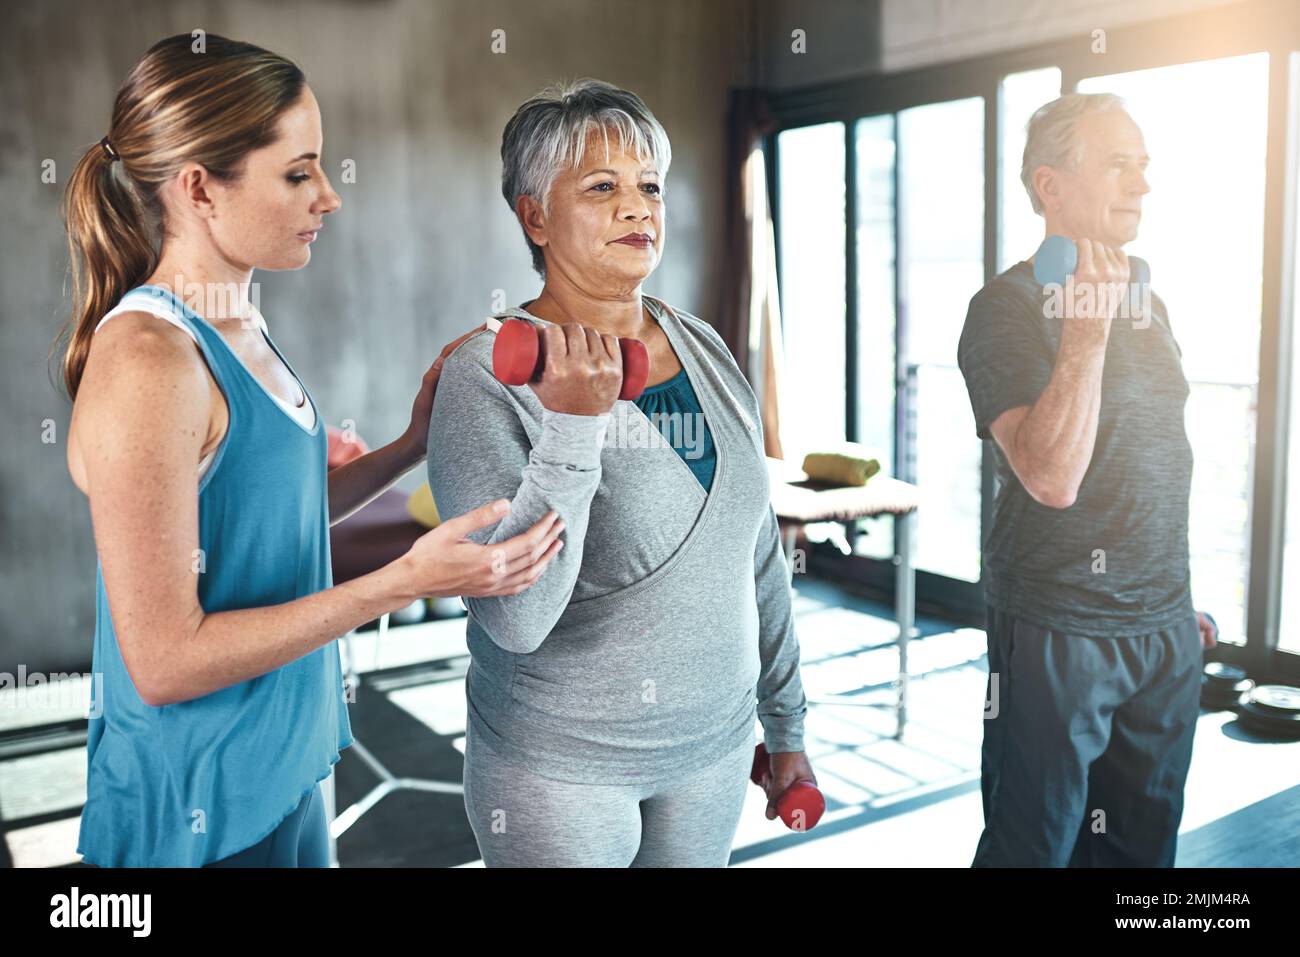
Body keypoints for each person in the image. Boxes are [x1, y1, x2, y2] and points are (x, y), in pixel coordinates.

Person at [56, 33, 562, 867]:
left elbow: (270, 522)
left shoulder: (241, 321)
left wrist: (410, 442)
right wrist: (402, 582)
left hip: (285, 765)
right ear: (198, 190)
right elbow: (164, 661)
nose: (330, 196)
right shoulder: (149, 361)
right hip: (199, 804)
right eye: (298, 173)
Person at [427, 79, 812, 867]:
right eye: (602, 187)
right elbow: (515, 619)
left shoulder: (703, 344)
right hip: (560, 770)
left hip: (714, 749)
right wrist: (574, 423)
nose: (638, 209)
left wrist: (788, 725)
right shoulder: (484, 377)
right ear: (535, 215)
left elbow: (756, 551)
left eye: (649, 187)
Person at [956, 92, 1218, 867]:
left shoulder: (1152, 298)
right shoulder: (1002, 310)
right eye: (1117, 165)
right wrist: (1087, 329)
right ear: (1051, 185)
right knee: (1032, 848)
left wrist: (1175, 598)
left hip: (1163, 629)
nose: (1141, 185)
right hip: (1059, 624)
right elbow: (1050, 476)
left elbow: (1156, 450)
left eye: (1142, 166)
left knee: (1141, 851)